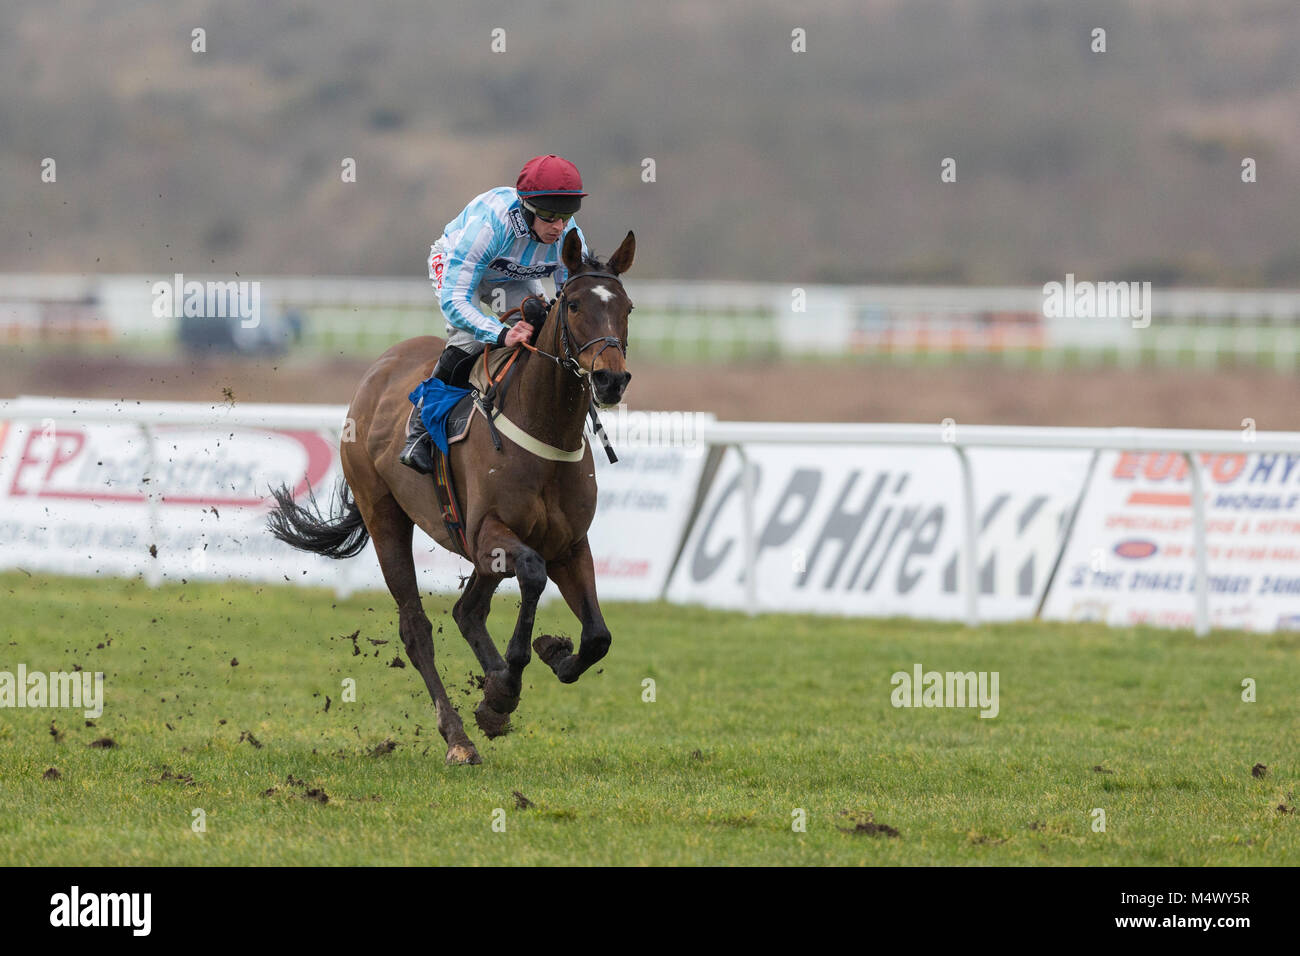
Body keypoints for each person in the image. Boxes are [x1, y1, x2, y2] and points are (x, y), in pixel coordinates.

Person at [400, 155, 590, 474]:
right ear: (527, 209)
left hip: (511, 275)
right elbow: (456, 302)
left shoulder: (568, 236)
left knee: (544, 332)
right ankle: (421, 431)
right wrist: (500, 334)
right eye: (548, 216)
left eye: (566, 215)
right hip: (459, 266)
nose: (558, 226)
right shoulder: (490, 226)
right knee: (468, 340)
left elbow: (573, 298)